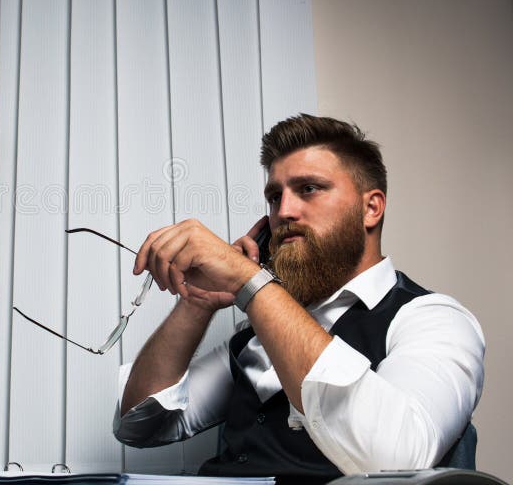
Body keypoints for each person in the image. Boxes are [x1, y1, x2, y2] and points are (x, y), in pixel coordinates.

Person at [113, 114, 484, 481]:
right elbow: (140, 424)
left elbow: (398, 459)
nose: (284, 212)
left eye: (309, 188)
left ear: (371, 208)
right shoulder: (254, 333)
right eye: (275, 197)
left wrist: (248, 280)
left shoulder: (433, 320)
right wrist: (199, 301)